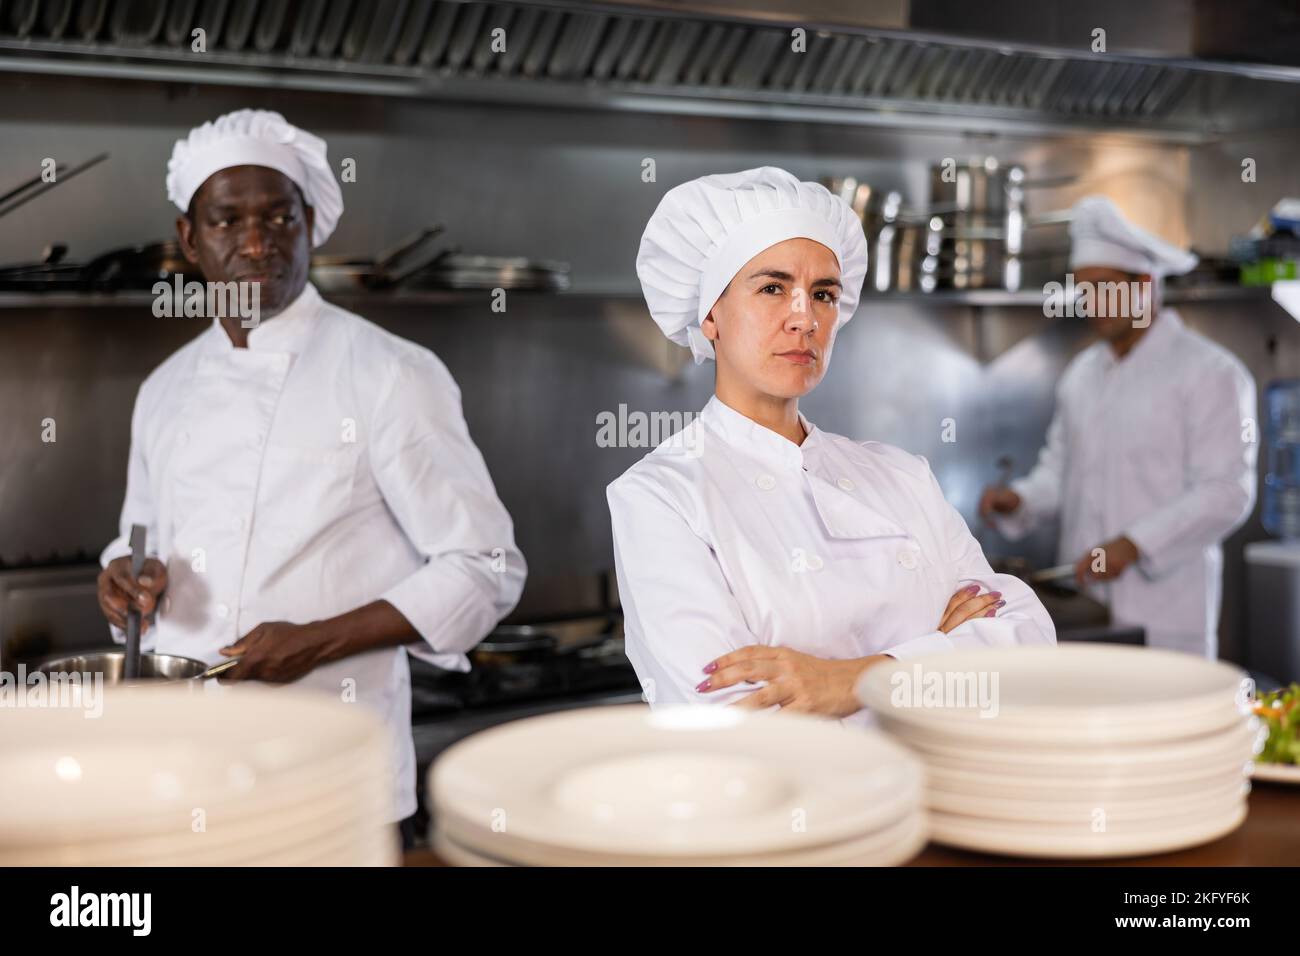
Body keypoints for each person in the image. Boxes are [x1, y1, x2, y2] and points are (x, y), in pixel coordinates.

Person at [95, 109, 525, 823]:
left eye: (279, 218)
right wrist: (123, 578)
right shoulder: (165, 388)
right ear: (188, 239)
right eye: (228, 221)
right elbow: (139, 536)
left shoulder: (388, 373)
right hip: (185, 765)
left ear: (310, 222)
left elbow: (484, 564)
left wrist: (317, 641)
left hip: (330, 770)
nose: (257, 243)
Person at [608, 167, 1055, 721]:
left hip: (938, 801)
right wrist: (939, 656)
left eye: (823, 294)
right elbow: (738, 719)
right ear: (709, 317)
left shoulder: (901, 475)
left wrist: (851, 680)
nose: (805, 319)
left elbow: (1027, 644)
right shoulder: (661, 496)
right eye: (772, 288)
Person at [980, 195, 1256, 658]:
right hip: (1085, 614)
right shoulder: (1082, 373)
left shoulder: (1211, 373)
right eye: (1083, 290)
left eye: (1104, 287)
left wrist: (1136, 543)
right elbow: (1060, 471)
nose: (1091, 303)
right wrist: (1021, 500)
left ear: (1145, 284)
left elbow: (1227, 491)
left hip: (1167, 620)